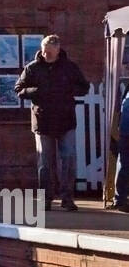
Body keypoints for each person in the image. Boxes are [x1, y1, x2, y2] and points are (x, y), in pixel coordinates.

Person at [15, 34, 88, 211]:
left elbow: (84, 87)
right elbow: (19, 89)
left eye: (50, 51)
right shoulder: (32, 68)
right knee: (44, 163)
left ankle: (67, 198)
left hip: (65, 120)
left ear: (57, 50)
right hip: (42, 121)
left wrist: (68, 90)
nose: (46, 54)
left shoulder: (69, 68)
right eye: (45, 51)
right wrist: (37, 91)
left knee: (68, 160)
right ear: (41, 49)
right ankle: (45, 199)